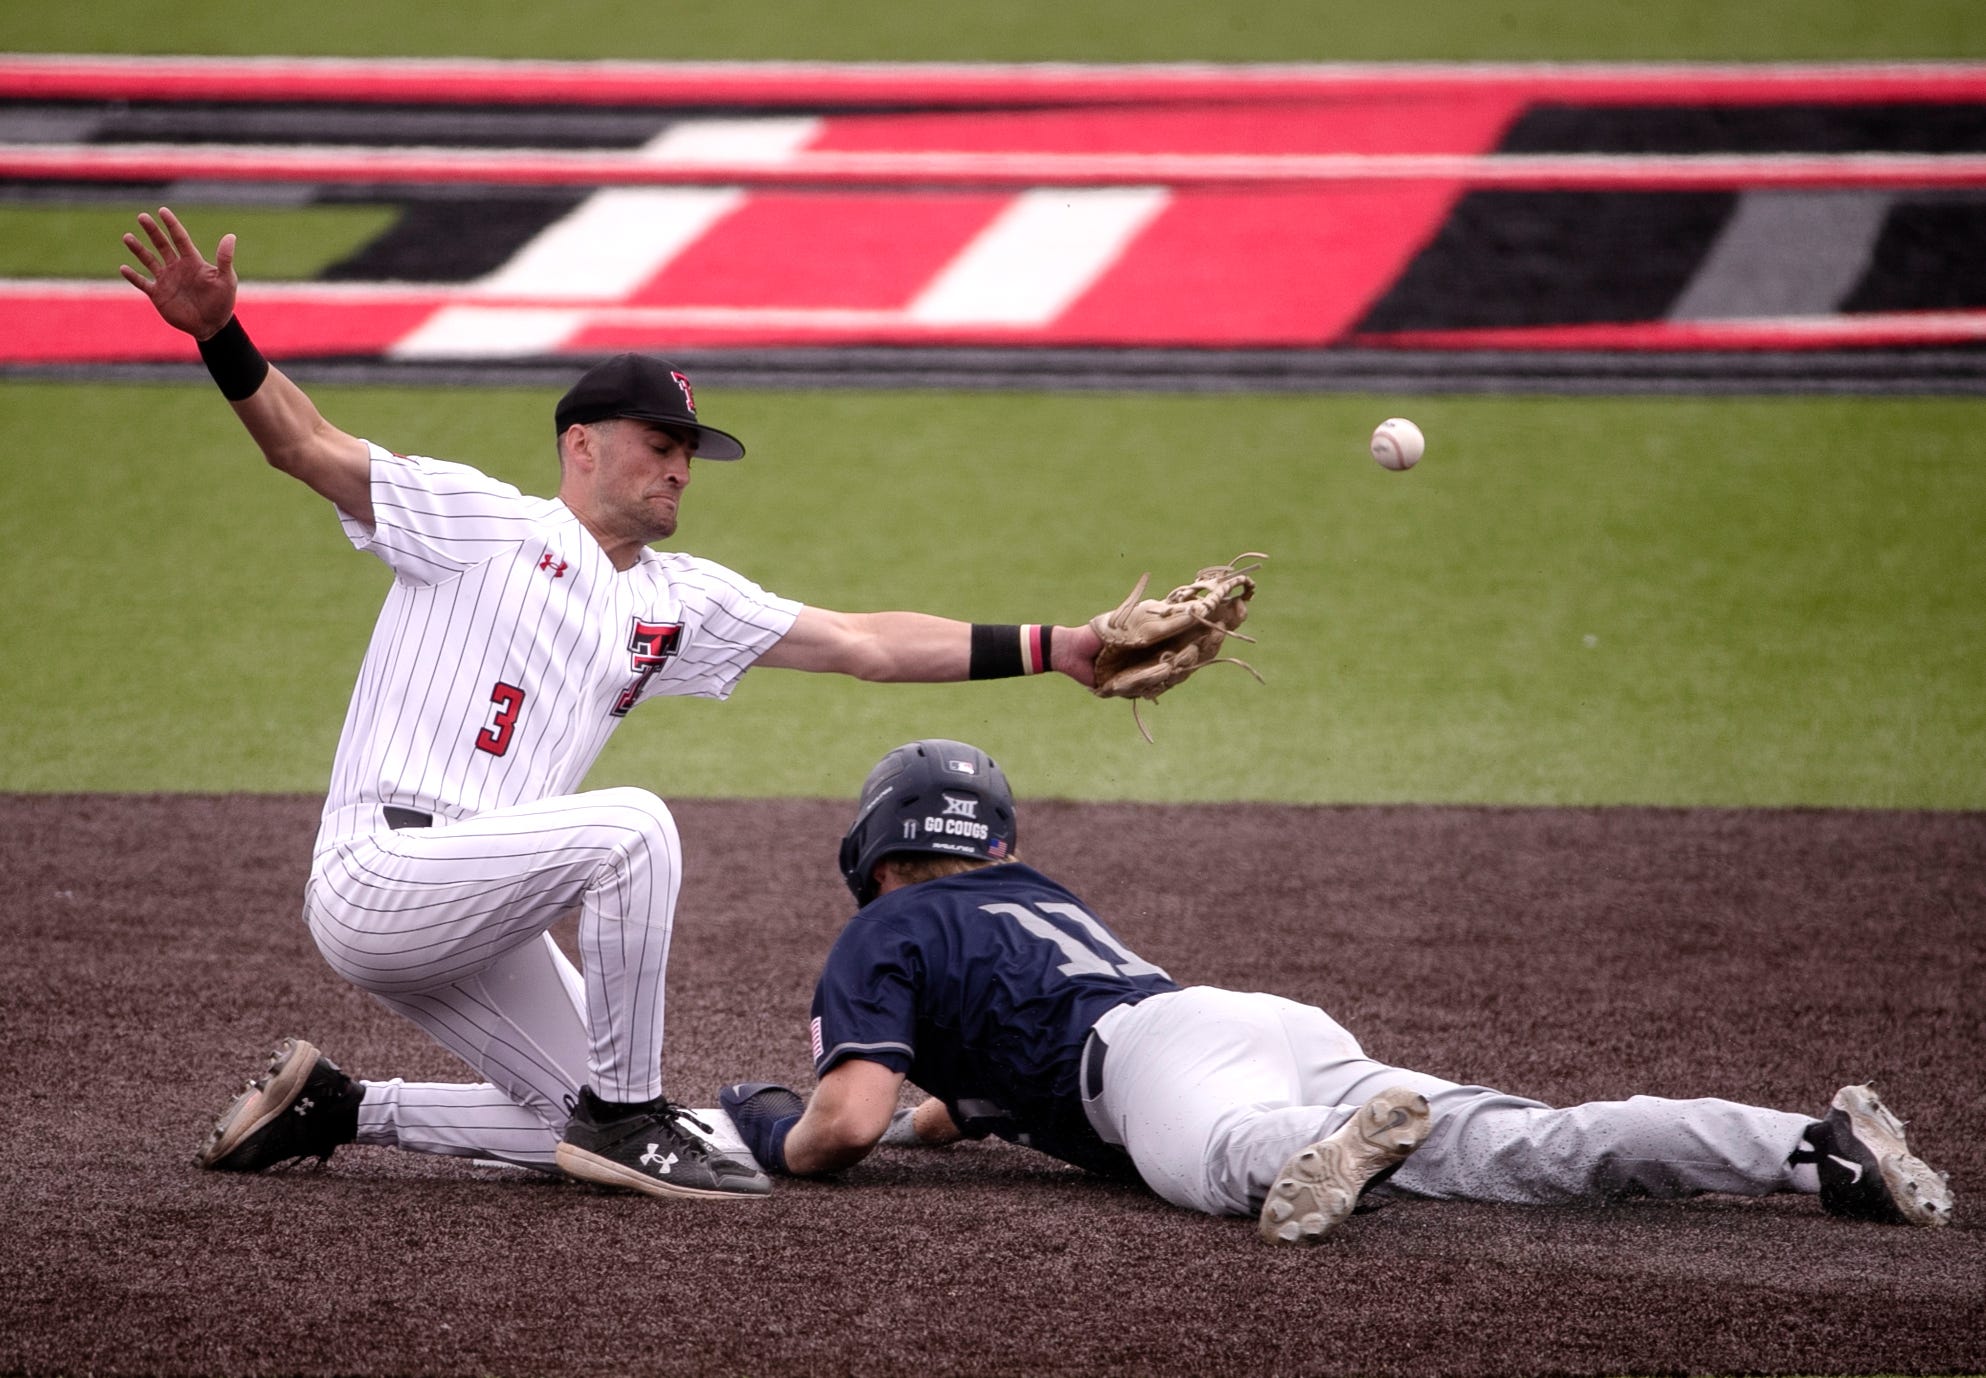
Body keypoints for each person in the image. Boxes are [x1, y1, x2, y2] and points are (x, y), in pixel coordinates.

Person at [121, 207, 1104, 1201]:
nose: (680, 464)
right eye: (659, 441)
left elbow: (864, 642)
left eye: (689, 448)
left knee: (566, 1109)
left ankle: (340, 1104)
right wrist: (218, 334)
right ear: (583, 444)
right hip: (382, 871)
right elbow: (306, 446)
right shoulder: (481, 522)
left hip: (486, 901)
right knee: (634, 831)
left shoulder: (676, 598)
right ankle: (627, 1122)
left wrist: (1059, 647)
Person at [719, 739, 1956, 1242]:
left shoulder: (885, 929)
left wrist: (767, 1119)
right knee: (1535, 1140)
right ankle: (1807, 1144)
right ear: (989, 841)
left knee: (1224, 1165)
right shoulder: (1037, 902)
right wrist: (947, 1125)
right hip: (1261, 1023)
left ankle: (1318, 1151)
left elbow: (845, 1126)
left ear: (880, 856)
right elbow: (965, 1099)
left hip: (1164, 1074)